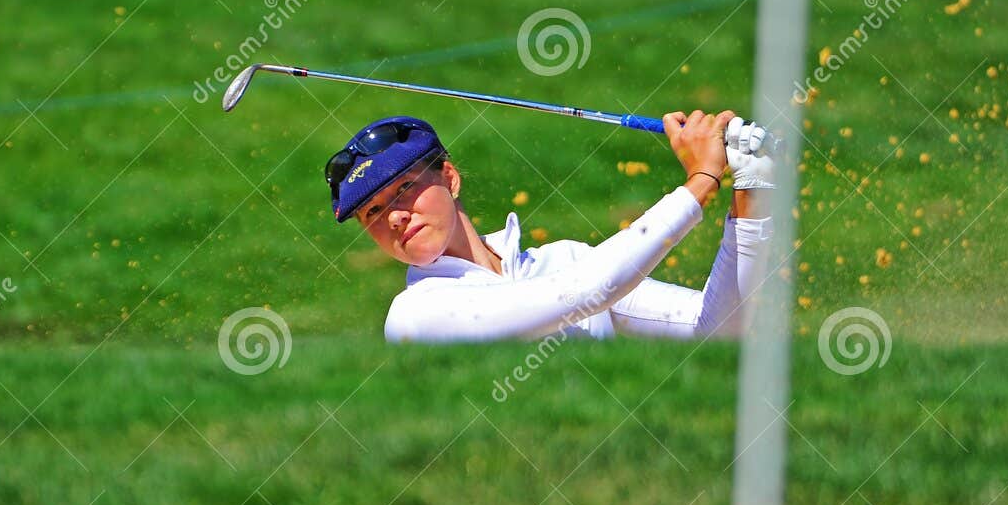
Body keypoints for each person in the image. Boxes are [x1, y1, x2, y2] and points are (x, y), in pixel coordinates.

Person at [325, 110, 775, 344]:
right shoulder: (414, 315)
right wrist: (700, 183)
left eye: (403, 189)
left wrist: (751, 184)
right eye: (373, 213)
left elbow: (718, 331)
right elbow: (581, 293)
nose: (394, 217)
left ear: (449, 178)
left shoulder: (564, 260)